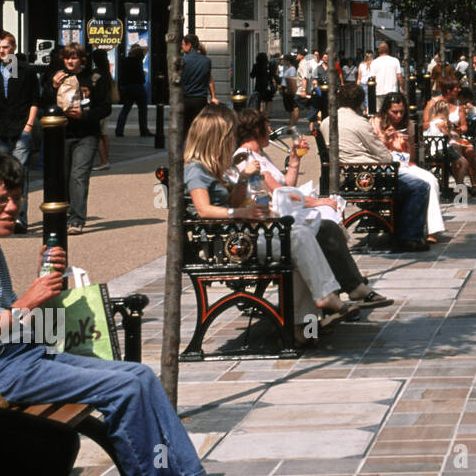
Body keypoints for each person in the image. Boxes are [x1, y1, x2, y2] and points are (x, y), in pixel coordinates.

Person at [0, 151, 240, 476]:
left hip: (22, 355)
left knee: (139, 377)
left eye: (17, 199)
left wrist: (41, 286)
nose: (12, 208)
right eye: (1, 200)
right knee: (123, 387)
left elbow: (7, 318)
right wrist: (25, 303)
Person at [184, 106, 356, 337]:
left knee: (300, 243)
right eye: (228, 135)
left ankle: (304, 329)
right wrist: (240, 214)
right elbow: (204, 210)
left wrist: (243, 180)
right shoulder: (196, 168)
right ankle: (325, 297)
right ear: (215, 138)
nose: (232, 140)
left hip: (238, 236)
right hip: (228, 245)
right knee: (298, 237)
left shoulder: (216, 166)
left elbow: (233, 202)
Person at [232, 109, 392, 309]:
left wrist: (294, 161)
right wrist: (316, 202)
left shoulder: (259, 154)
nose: (271, 129)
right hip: (271, 222)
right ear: (256, 130)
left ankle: (344, 289)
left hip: (281, 216)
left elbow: (287, 186)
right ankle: (343, 289)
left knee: (327, 225)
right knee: (324, 226)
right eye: (267, 126)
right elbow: (278, 192)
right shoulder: (246, 157)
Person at [318, 85, 433, 253]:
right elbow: (383, 156)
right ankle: (410, 237)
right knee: (420, 186)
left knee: (407, 184)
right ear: (359, 103)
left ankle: (398, 229)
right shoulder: (359, 122)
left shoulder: (327, 121)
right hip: (368, 175)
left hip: (346, 176)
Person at [40, 43, 109, 236]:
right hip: (62, 134)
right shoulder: (56, 76)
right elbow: (44, 102)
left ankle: (77, 219)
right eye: (67, 57)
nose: (70, 61)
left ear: (82, 59)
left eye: (74, 57)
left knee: (78, 175)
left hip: (87, 134)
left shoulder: (94, 78)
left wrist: (84, 115)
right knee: (62, 176)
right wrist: (53, 86)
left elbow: (105, 107)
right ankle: (64, 213)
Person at [371, 93, 449, 242]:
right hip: (386, 164)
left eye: (402, 111)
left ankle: (433, 230)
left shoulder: (409, 125)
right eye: (395, 112)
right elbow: (374, 149)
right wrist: (387, 140)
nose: (399, 115)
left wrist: (406, 145)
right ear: (386, 110)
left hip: (404, 163)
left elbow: (411, 157)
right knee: (422, 182)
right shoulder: (376, 122)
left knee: (431, 179)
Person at [0, 30, 39, 234]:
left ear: (13, 48)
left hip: (21, 129)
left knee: (19, 174)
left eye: (5, 47)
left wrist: (28, 127)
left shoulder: (25, 71)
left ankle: (20, 218)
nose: (1, 51)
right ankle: (1, 217)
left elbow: (35, 100)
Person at [179, 34, 217, 146]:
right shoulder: (206, 61)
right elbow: (209, 80)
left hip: (185, 98)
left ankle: (186, 150)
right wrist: (213, 97)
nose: (182, 47)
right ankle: (198, 148)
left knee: (185, 128)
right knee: (199, 127)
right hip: (200, 99)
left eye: (183, 45)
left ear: (189, 45)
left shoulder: (182, 61)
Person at [114, 42, 151, 137]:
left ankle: (119, 130)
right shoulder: (137, 59)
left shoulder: (124, 60)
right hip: (137, 86)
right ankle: (143, 130)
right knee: (142, 109)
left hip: (127, 87)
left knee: (125, 109)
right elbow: (147, 48)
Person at [90, 49, 115, 171]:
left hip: (98, 107)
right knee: (104, 134)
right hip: (107, 106)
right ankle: (107, 159)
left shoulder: (96, 73)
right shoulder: (107, 72)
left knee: (98, 134)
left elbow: (93, 88)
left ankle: (103, 160)